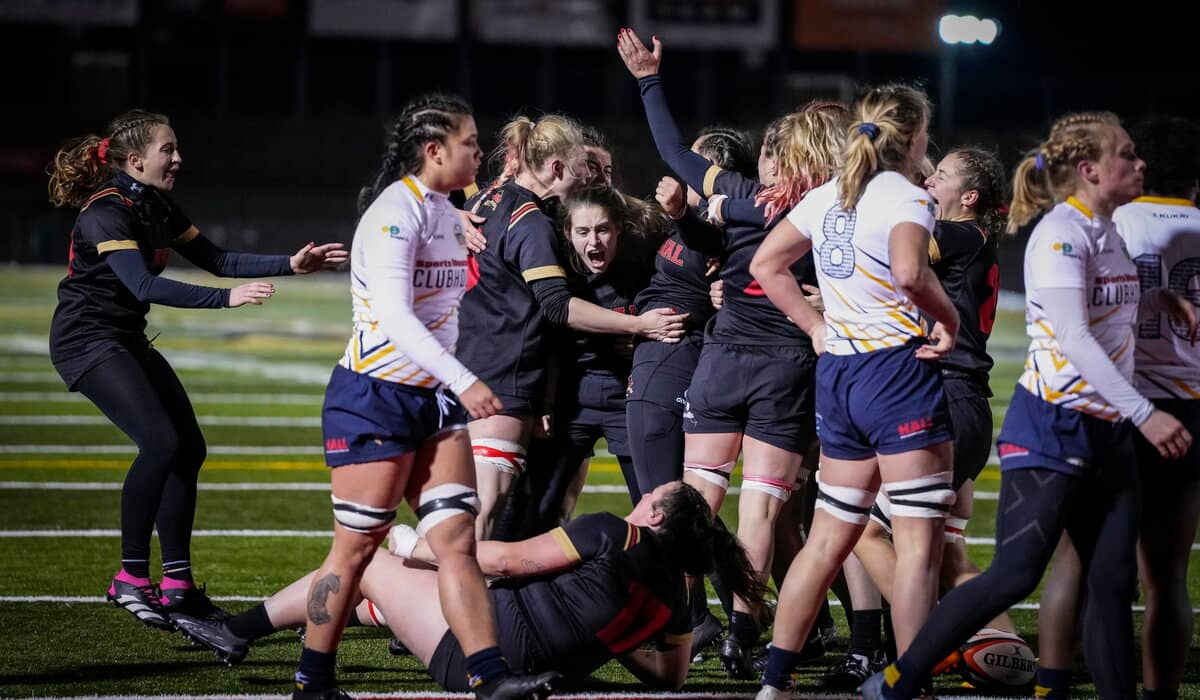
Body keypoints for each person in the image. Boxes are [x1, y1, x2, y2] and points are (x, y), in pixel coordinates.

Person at [862, 111, 1196, 700]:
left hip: (1109, 433)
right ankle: (899, 677)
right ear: (1090, 170)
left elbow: (1107, 302)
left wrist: (1158, 297)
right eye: (1126, 155)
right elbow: (1074, 336)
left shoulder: (1111, 231)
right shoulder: (1061, 233)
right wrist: (1148, 413)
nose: (1140, 164)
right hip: (1053, 429)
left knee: (1114, 584)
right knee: (1013, 575)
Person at [294, 94, 558, 700]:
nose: (478, 150)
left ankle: (490, 679)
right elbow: (394, 319)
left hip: (432, 404)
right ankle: (313, 682)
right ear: (434, 150)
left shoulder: (447, 211)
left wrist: (452, 382)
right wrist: (465, 379)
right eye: (468, 141)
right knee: (355, 552)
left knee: (458, 541)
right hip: (375, 399)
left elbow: (445, 314)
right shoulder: (395, 214)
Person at [45, 109, 346, 631]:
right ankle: (131, 579)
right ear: (136, 161)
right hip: (85, 342)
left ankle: (179, 585)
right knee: (160, 444)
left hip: (123, 338)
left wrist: (291, 265)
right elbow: (144, 286)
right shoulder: (106, 211)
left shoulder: (155, 202)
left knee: (190, 448)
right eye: (169, 149)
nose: (178, 158)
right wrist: (226, 302)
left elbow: (219, 259)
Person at [619, 29, 845, 677]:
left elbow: (669, 149)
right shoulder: (834, 212)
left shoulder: (745, 198)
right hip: (788, 366)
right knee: (765, 506)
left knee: (694, 500)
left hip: (721, 363)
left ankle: (665, 619)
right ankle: (743, 634)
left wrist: (648, 80)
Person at [751, 83, 961, 698]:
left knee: (825, 540)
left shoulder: (827, 196)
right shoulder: (906, 196)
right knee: (918, 546)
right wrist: (947, 322)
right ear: (916, 136)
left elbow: (765, 266)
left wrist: (818, 326)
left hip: (839, 375)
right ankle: (908, 686)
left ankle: (774, 684)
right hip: (896, 371)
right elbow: (910, 273)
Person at [173, 482, 764, 692]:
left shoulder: (613, 533)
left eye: (651, 497)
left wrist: (416, 546)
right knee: (381, 596)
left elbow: (503, 562)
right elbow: (671, 677)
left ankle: (250, 639)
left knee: (367, 559)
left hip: (481, 653)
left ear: (656, 517)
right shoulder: (673, 599)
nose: (642, 498)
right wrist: (605, 639)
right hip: (524, 652)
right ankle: (238, 629)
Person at [826, 146, 1017, 689]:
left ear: (970, 197)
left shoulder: (956, 235)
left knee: (861, 525)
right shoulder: (970, 235)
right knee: (948, 552)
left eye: (944, 175)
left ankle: (922, 650)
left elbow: (894, 260)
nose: (931, 179)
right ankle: (1008, 653)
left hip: (945, 401)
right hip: (964, 405)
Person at [1032, 115, 1200, 700]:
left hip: (1115, 402)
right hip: (1187, 406)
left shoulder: (1109, 217)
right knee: (1168, 578)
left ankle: (1052, 684)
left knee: (1076, 562)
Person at [457, 115, 687, 539]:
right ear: (558, 168)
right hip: (507, 380)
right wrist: (639, 325)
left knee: (484, 515)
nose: (592, 178)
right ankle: (413, 574)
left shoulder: (485, 201)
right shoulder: (535, 223)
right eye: (585, 167)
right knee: (489, 519)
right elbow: (558, 308)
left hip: (479, 371)